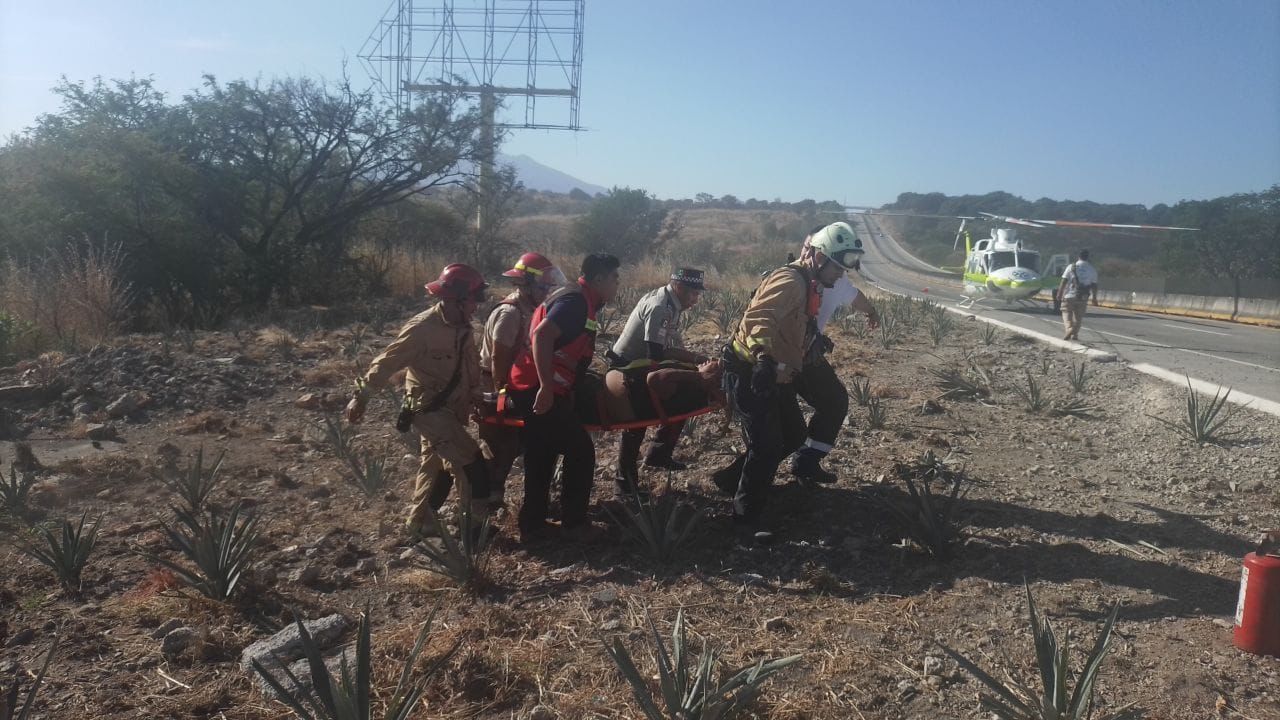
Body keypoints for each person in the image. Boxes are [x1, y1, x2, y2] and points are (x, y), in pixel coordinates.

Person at [721, 222, 861, 546]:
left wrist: (813, 340)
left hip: (778, 371)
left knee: (794, 434)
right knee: (767, 444)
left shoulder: (811, 285)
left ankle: (732, 481)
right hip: (751, 368)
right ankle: (745, 520)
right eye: (837, 268)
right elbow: (759, 318)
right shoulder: (789, 280)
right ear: (817, 256)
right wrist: (761, 359)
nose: (840, 276)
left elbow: (794, 324)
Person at [345, 263, 491, 537]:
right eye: (474, 299)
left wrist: (475, 397)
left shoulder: (463, 327)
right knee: (468, 460)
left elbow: (468, 368)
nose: (477, 306)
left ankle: (420, 522)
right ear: (456, 298)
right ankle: (472, 527)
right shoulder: (422, 329)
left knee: (434, 466)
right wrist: (360, 397)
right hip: (428, 409)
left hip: (451, 409)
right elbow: (386, 362)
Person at [507, 253, 620, 542]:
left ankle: (532, 523)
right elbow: (543, 336)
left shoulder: (577, 297)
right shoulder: (575, 303)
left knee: (541, 453)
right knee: (580, 451)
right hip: (538, 387)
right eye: (614, 278)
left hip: (531, 384)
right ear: (598, 280)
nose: (617, 284)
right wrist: (546, 386)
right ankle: (574, 524)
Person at [605, 268, 708, 495]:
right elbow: (657, 354)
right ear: (679, 287)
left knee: (684, 393)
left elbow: (667, 347)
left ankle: (659, 454)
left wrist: (695, 359)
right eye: (693, 293)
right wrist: (695, 363)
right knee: (641, 419)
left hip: (640, 364)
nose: (696, 299)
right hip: (629, 370)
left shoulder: (669, 301)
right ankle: (625, 483)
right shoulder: (661, 306)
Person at [791, 228, 880, 483]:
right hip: (782, 357)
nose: (810, 253)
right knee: (786, 421)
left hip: (806, 356)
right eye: (807, 247)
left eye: (815, 249)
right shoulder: (791, 278)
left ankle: (806, 461)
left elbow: (854, 296)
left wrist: (871, 312)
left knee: (834, 401)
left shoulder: (834, 277)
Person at [478, 252, 566, 509]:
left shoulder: (532, 309)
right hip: (495, 382)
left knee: (519, 442)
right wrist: (501, 394)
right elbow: (499, 357)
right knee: (499, 445)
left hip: (517, 382)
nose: (547, 290)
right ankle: (481, 506)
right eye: (543, 285)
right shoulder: (510, 313)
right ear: (526, 284)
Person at [1056, 249, 1099, 340]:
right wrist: (1094, 298)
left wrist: (1059, 293)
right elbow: (1094, 285)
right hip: (1083, 297)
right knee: (1078, 317)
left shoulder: (1071, 267)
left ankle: (1070, 329)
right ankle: (1075, 335)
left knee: (1066, 312)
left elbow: (1064, 281)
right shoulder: (1092, 269)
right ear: (1088, 257)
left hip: (1069, 295)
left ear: (1078, 257)